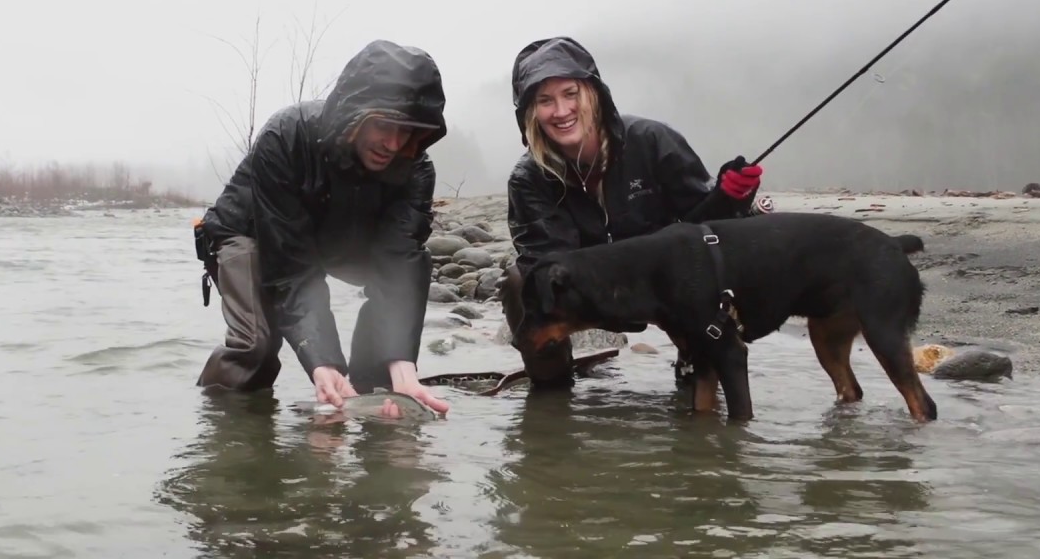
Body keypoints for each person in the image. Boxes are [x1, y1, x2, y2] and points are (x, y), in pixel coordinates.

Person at [192, 39, 451, 418]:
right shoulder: (285, 138)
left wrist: (401, 363)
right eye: (383, 125)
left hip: (333, 232)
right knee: (257, 347)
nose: (394, 144)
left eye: (408, 131)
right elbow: (292, 268)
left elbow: (398, 262)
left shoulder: (415, 169)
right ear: (356, 112)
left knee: (396, 321)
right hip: (250, 230)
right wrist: (323, 361)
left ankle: (367, 395)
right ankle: (223, 425)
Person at [500, 36, 772, 386]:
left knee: (707, 269)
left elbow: (705, 230)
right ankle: (551, 390)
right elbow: (546, 263)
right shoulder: (527, 179)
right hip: (592, 293)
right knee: (520, 280)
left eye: (571, 94)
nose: (561, 111)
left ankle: (698, 361)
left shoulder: (653, 140)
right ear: (530, 113)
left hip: (671, 285)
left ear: (593, 94)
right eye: (545, 101)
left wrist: (731, 198)